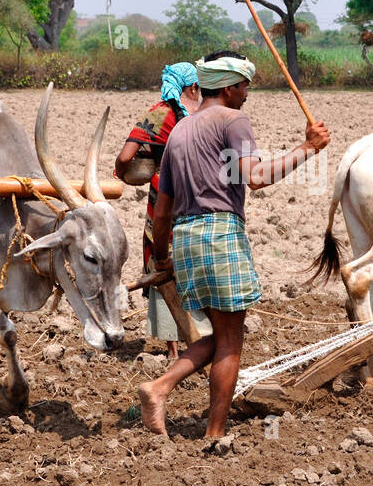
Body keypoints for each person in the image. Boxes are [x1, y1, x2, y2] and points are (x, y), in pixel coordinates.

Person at [137, 51, 330, 439]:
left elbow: (162, 211)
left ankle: (159, 388)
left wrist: (161, 257)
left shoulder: (179, 132)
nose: (247, 95)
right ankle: (213, 432)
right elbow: (254, 177)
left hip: (186, 238)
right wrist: (306, 150)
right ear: (228, 88)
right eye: (244, 86)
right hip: (220, 233)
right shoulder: (233, 120)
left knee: (218, 336)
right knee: (230, 342)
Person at [114, 63, 201, 360]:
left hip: (166, 195)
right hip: (201, 196)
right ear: (193, 87)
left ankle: (173, 348)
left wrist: (124, 171)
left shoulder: (160, 113)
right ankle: (202, 339)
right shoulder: (206, 112)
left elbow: (125, 157)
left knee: (163, 262)